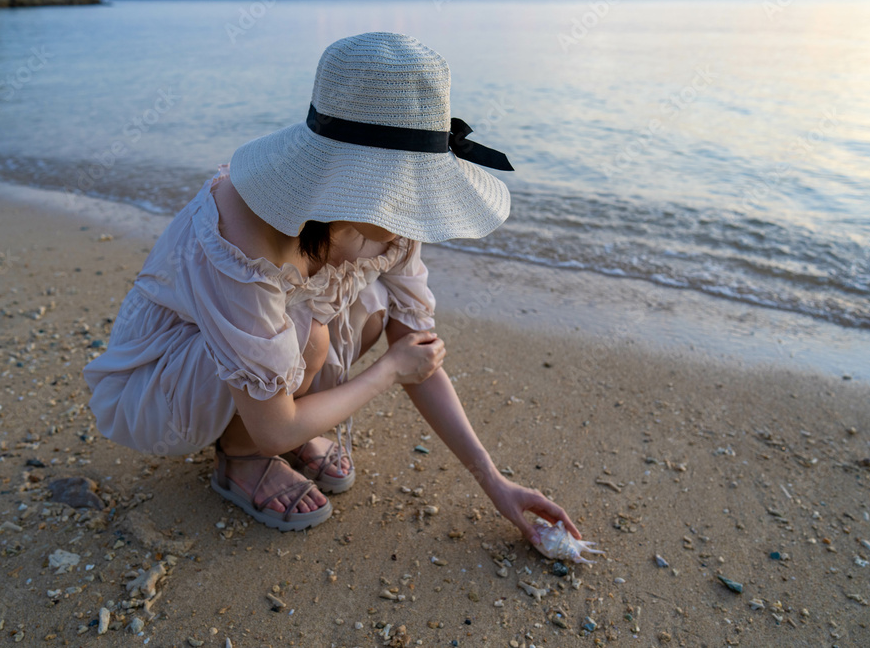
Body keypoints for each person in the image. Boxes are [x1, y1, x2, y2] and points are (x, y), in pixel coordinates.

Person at [82, 32, 580, 546]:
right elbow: (385, 372)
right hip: (159, 380)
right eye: (407, 188)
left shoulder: (389, 223)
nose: (416, 210)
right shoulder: (245, 234)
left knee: (370, 305)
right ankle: (241, 459)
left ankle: (282, 419)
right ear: (367, 182)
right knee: (311, 339)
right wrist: (386, 371)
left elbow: (421, 357)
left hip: (248, 365)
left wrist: (493, 481)